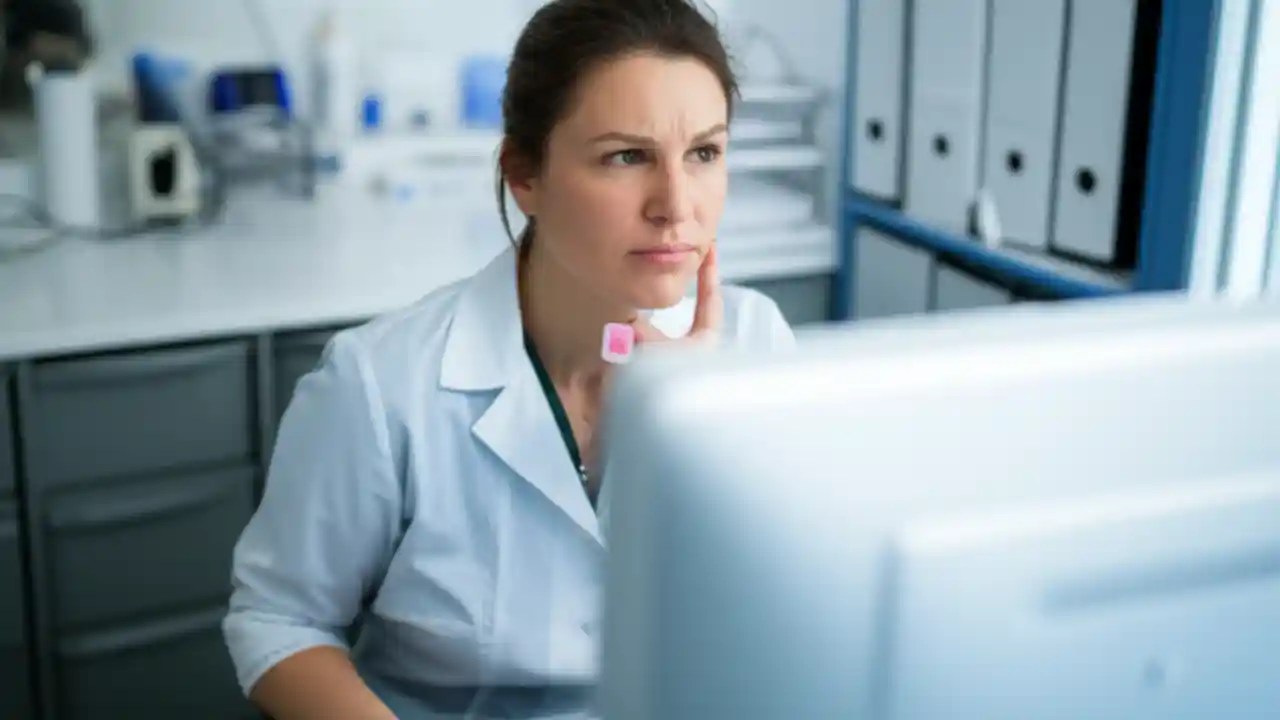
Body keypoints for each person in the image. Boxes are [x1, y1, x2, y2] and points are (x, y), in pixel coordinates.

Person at [222, 0, 795, 717]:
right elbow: (279, 621)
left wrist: (704, 430)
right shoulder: (381, 386)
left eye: (704, 153)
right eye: (627, 156)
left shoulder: (755, 348)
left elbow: (789, 605)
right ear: (525, 175)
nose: (676, 205)